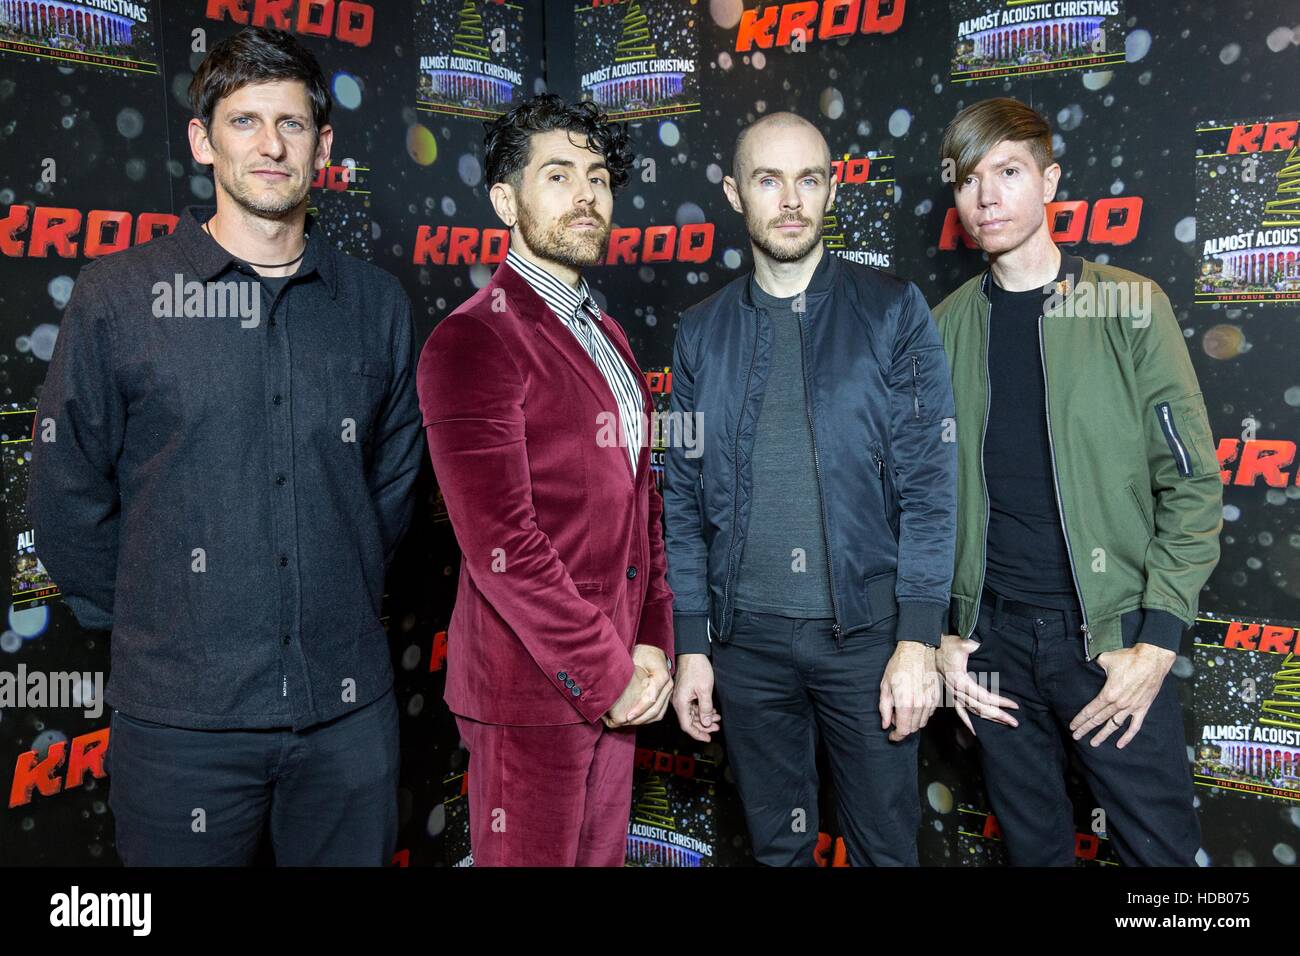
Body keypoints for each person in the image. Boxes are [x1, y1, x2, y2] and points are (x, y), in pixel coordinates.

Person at [28, 26, 423, 865]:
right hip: (180, 731)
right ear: (203, 142)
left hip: (346, 717)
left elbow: (389, 490)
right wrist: (163, 619)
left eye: (291, 123)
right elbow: (65, 502)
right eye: (245, 122)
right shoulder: (120, 299)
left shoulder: (376, 305)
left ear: (324, 143)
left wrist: (331, 579)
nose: (271, 146)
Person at [932, 97, 1222, 865]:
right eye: (968, 178)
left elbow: (1192, 485)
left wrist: (1157, 642)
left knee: (1157, 857)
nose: (987, 195)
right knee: (1033, 852)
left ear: (1050, 180)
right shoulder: (943, 327)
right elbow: (920, 501)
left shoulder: (1128, 304)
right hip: (991, 642)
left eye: (1009, 171)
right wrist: (942, 637)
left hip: (1107, 640)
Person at [664, 112, 957, 866]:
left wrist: (917, 638)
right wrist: (691, 647)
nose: (790, 199)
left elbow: (931, 487)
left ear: (830, 191)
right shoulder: (699, 332)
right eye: (768, 179)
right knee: (778, 852)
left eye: (808, 179)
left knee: (886, 852)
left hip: (867, 640)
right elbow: (682, 502)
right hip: (746, 646)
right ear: (735, 192)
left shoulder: (893, 310)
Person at [416, 94, 675, 867]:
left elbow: (643, 507)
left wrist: (653, 644)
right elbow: (502, 545)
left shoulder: (605, 331)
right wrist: (609, 674)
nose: (586, 196)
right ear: (505, 201)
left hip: (618, 679)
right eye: (558, 176)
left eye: (597, 177)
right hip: (532, 695)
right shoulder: (472, 339)